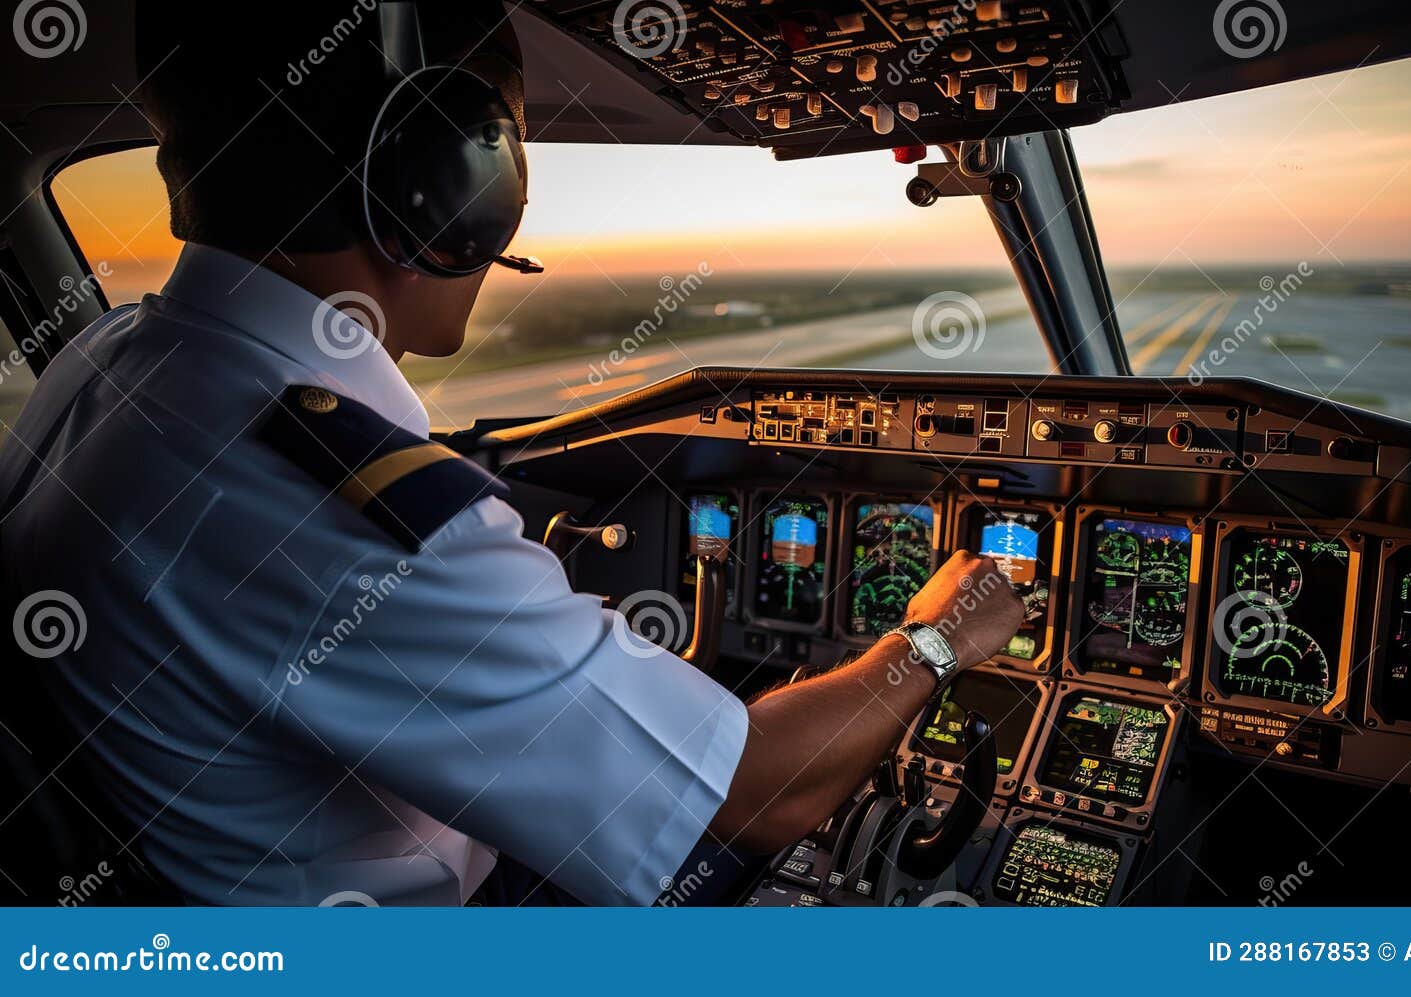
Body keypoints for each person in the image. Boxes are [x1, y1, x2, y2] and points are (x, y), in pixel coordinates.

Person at [0, 1, 1023, 905]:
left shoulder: (108, 362)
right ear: (446, 185)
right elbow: (758, 795)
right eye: (501, 149)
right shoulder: (347, 517)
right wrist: (935, 638)